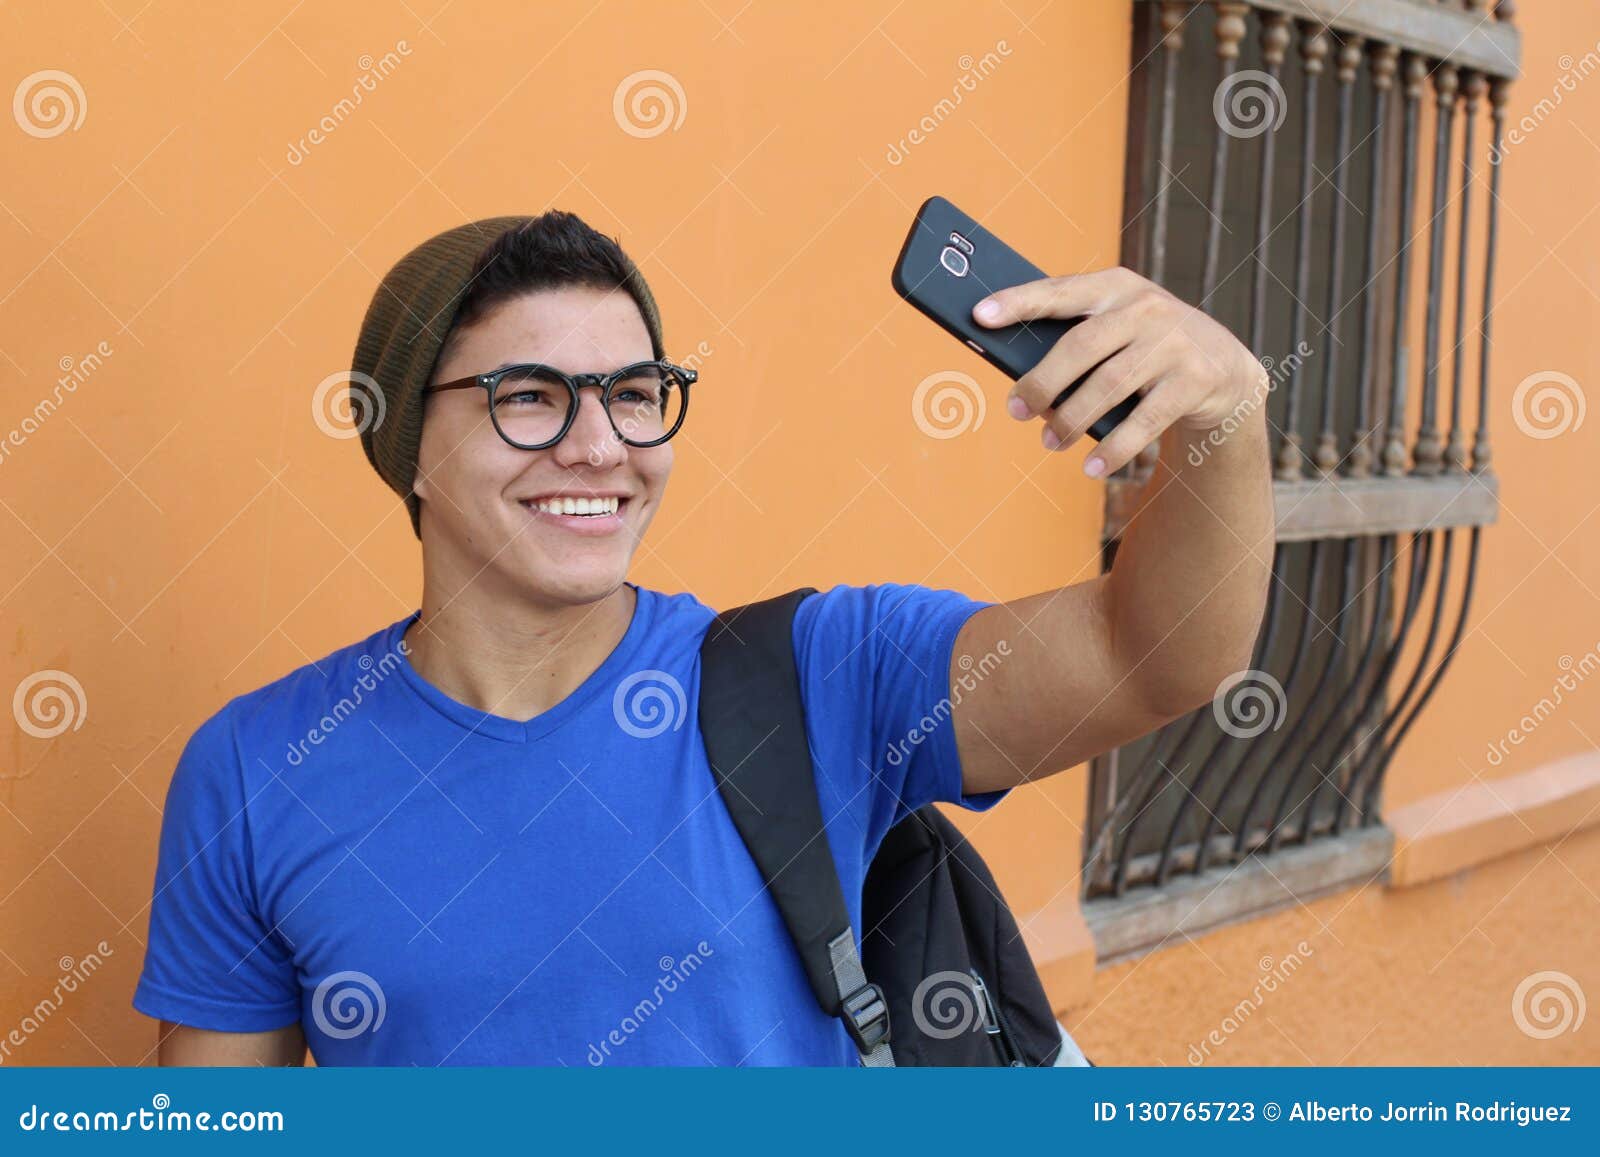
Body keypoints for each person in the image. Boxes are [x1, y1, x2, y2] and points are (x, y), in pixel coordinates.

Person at [133, 211, 1273, 1066]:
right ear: (401, 438)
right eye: (529, 395)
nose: (598, 444)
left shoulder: (823, 673)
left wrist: (1222, 418)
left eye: (634, 391)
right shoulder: (256, 768)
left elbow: (1156, 654)